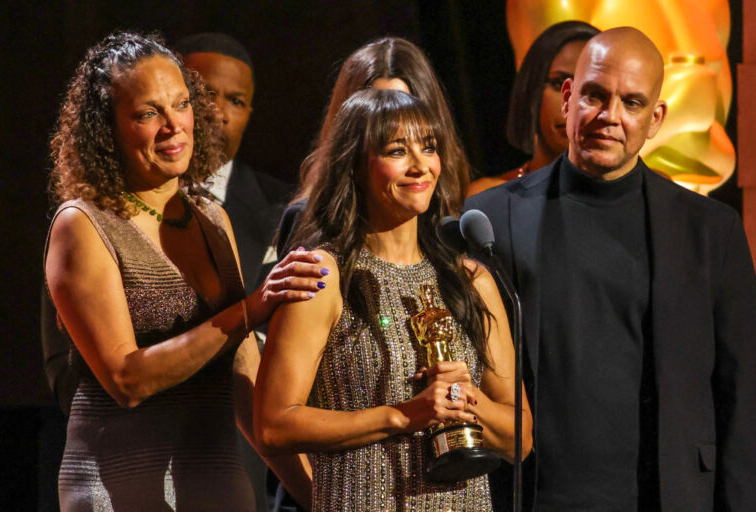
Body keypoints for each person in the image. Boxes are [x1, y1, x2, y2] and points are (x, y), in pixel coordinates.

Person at [465, 27, 756, 511]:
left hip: (671, 497)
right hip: (532, 496)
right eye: (595, 95)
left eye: (632, 102)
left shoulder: (711, 231)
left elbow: (742, 395)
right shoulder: (495, 218)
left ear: (656, 118)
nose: (610, 117)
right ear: (567, 97)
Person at [44, 32, 319, 511]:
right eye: (149, 113)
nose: (177, 125)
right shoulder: (82, 225)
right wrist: (249, 310)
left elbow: (244, 382)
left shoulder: (213, 220)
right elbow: (127, 379)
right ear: (106, 129)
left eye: (182, 104)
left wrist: (320, 496)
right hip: (120, 491)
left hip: (217, 486)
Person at [253, 88, 532, 510]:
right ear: (356, 166)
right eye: (397, 150)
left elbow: (521, 439)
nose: (420, 165)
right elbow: (273, 426)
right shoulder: (323, 276)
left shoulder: (471, 280)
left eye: (429, 147)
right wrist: (402, 415)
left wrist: (465, 397)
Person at [276, 36, 471, 258]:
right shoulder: (310, 221)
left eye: (406, 106)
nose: (397, 120)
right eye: (379, 111)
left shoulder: (449, 216)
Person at [176, 32, 292, 295]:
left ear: (249, 114)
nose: (219, 113)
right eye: (206, 93)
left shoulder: (282, 211)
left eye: (236, 101)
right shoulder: (120, 196)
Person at [467, 21, 599, 197]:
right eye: (560, 84)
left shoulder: (644, 192)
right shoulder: (490, 197)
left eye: (593, 91)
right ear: (531, 89)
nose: (574, 104)